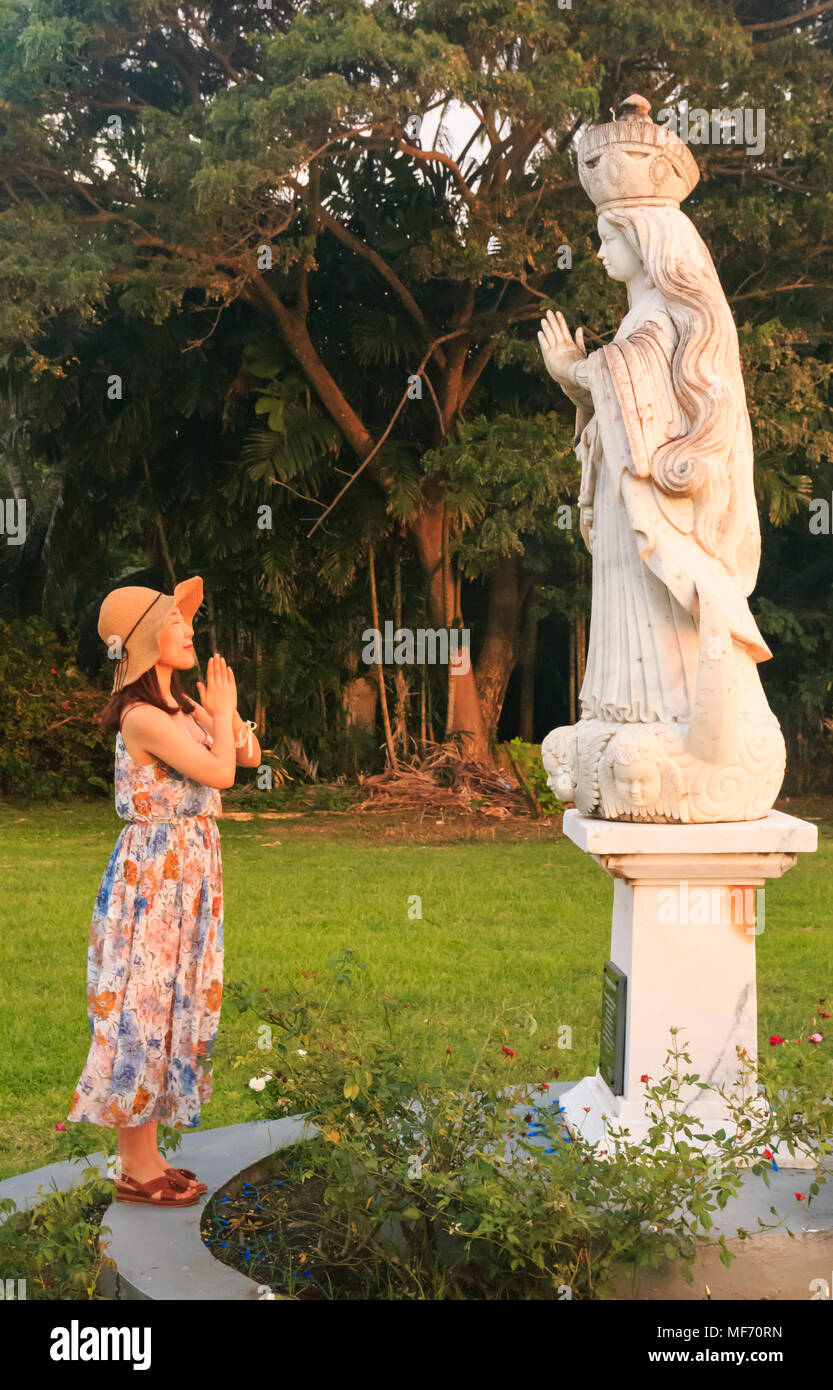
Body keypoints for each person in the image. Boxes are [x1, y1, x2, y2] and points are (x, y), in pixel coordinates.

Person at [66, 576, 261, 1207]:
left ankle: (145, 1159)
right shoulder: (144, 717)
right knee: (140, 1012)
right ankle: (134, 1167)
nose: (190, 629)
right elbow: (221, 774)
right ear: (150, 641)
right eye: (176, 622)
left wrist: (219, 714)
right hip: (154, 883)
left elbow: (249, 756)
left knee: (173, 1009)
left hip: (190, 878)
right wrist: (223, 718)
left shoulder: (176, 708)